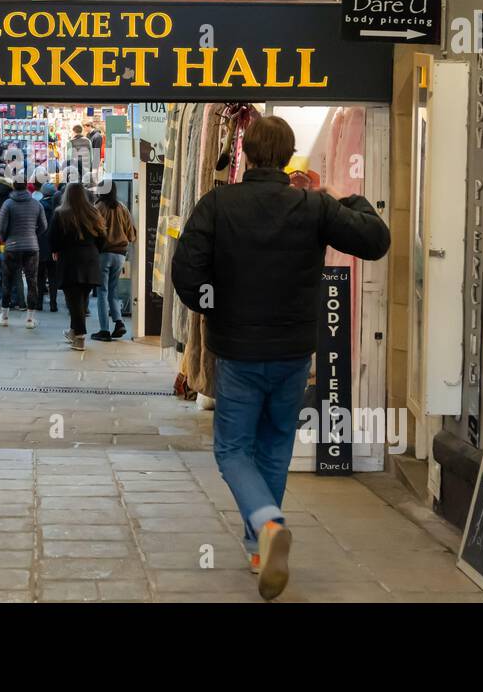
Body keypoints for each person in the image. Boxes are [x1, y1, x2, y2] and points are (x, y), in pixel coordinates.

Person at [171, 115, 390, 602]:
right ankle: (257, 546)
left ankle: (266, 524)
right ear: (289, 156)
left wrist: (213, 307)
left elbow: (186, 272)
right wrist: (337, 196)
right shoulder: (311, 207)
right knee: (274, 444)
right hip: (293, 350)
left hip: (238, 350)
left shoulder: (217, 204)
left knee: (232, 449)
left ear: (245, 153)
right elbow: (376, 240)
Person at [48, 183, 106, 352]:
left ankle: (79, 337)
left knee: (74, 300)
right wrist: (95, 251)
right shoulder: (93, 213)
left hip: (70, 261)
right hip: (90, 260)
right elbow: (102, 237)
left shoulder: (60, 214)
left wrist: (55, 251)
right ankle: (73, 332)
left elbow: (53, 238)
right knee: (82, 298)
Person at [0, 178, 48, 328]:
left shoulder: (8, 204)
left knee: (7, 281)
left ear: (13, 186)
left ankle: (4, 317)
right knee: (32, 282)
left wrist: (7, 239)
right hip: (31, 247)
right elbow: (44, 226)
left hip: (12, 247)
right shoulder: (36, 204)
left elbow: (1, 227)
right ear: (26, 187)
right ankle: (30, 320)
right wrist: (33, 235)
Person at [91, 186, 136, 341]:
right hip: (121, 254)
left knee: (102, 291)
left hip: (103, 253)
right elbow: (132, 234)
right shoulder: (122, 208)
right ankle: (119, 322)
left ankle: (104, 330)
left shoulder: (98, 208)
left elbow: (92, 231)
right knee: (113, 290)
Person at [36, 183, 60, 312]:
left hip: (40, 244)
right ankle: (53, 304)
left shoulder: (38, 205)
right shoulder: (59, 207)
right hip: (54, 245)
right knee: (53, 276)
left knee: (39, 276)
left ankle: (39, 302)